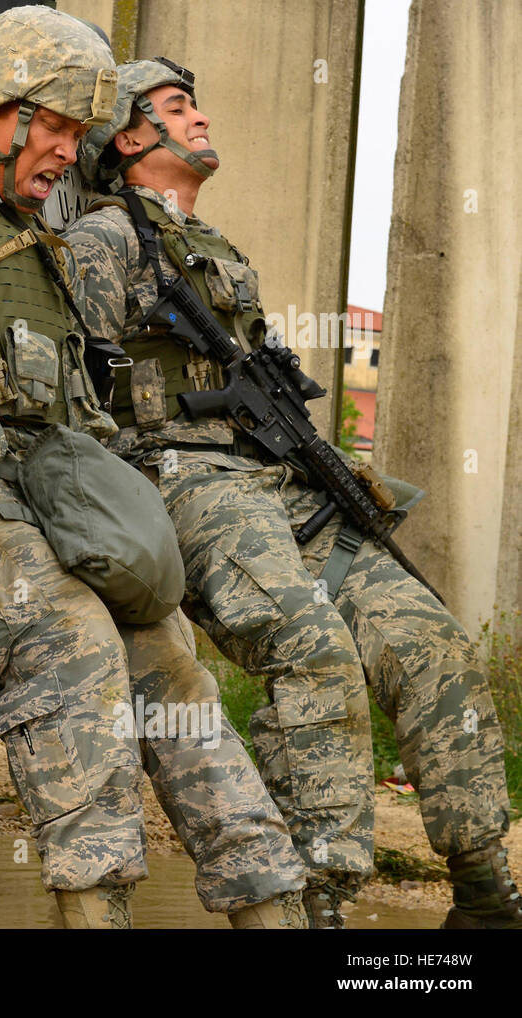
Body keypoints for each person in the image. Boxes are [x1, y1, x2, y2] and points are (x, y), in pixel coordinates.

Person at [64, 57, 519, 928]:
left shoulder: (220, 252)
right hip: (184, 479)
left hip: (279, 481)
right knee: (314, 652)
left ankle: (484, 889)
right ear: (130, 137)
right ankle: (320, 903)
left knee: (432, 639)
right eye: (176, 107)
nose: (198, 119)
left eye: (195, 105)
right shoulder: (104, 241)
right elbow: (70, 388)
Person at [0, 5, 308, 928]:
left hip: (42, 511)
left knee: (172, 664)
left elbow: (87, 415)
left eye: (83, 133)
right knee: (71, 641)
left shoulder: (51, 252)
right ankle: (95, 911)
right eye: (61, 128)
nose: (72, 153)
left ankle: (271, 905)